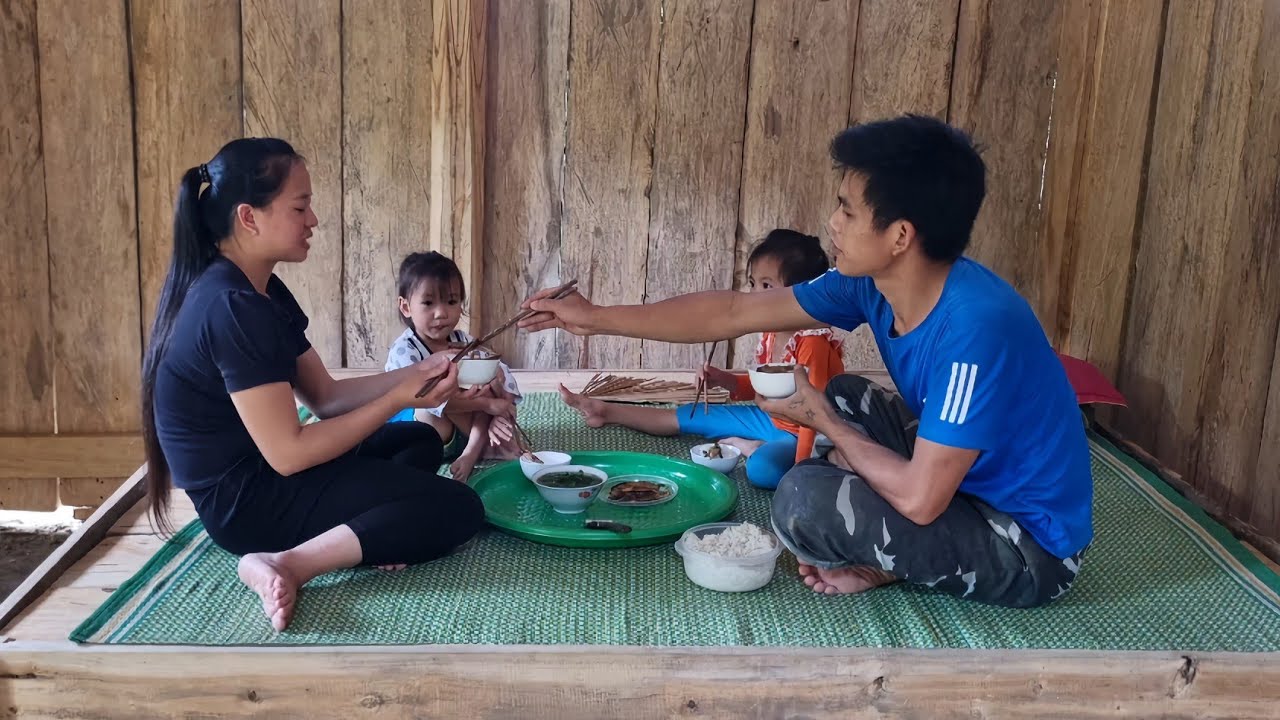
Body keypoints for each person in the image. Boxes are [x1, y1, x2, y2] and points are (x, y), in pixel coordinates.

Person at [519, 115, 1093, 608]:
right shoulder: (870, 285)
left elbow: (921, 498)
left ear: (899, 235)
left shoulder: (975, 328)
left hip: (1024, 543)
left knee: (803, 498)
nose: (834, 224)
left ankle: (898, 554)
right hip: (958, 483)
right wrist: (593, 317)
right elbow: (731, 312)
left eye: (847, 209)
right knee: (844, 393)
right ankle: (890, 555)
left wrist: (827, 425)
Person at [140, 138, 485, 631]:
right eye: (300, 206)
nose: (313, 220)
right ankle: (287, 563)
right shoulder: (232, 307)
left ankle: (374, 531)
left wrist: (416, 375)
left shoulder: (260, 289)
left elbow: (326, 398)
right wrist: (395, 399)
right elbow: (290, 453)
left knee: (420, 438)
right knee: (457, 508)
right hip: (248, 504)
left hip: (272, 474)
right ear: (249, 217)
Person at [559, 229, 844, 489]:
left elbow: (813, 416)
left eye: (767, 286)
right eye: (753, 283)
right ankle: (605, 411)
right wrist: (723, 379)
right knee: (692, 415)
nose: (755, 295)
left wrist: (804, 469)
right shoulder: (772, 333)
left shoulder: (813, 343)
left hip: (804, 433)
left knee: (762, 470)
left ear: (802, 292)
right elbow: (761, 388)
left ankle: (753, 449)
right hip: (771, 419)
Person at [384, 251, 524, 482]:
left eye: (451, 301)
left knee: (491, 377)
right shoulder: (405, 350)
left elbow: (502, 374)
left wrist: (501, 405)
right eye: (428, 303)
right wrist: (489, 405)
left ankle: (472, 453)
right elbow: (426, 399)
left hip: (464, 433)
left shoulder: (463, 341)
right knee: (431, 400)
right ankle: (482, 447)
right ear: (406, 307)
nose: (441, 313)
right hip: (417, 432)